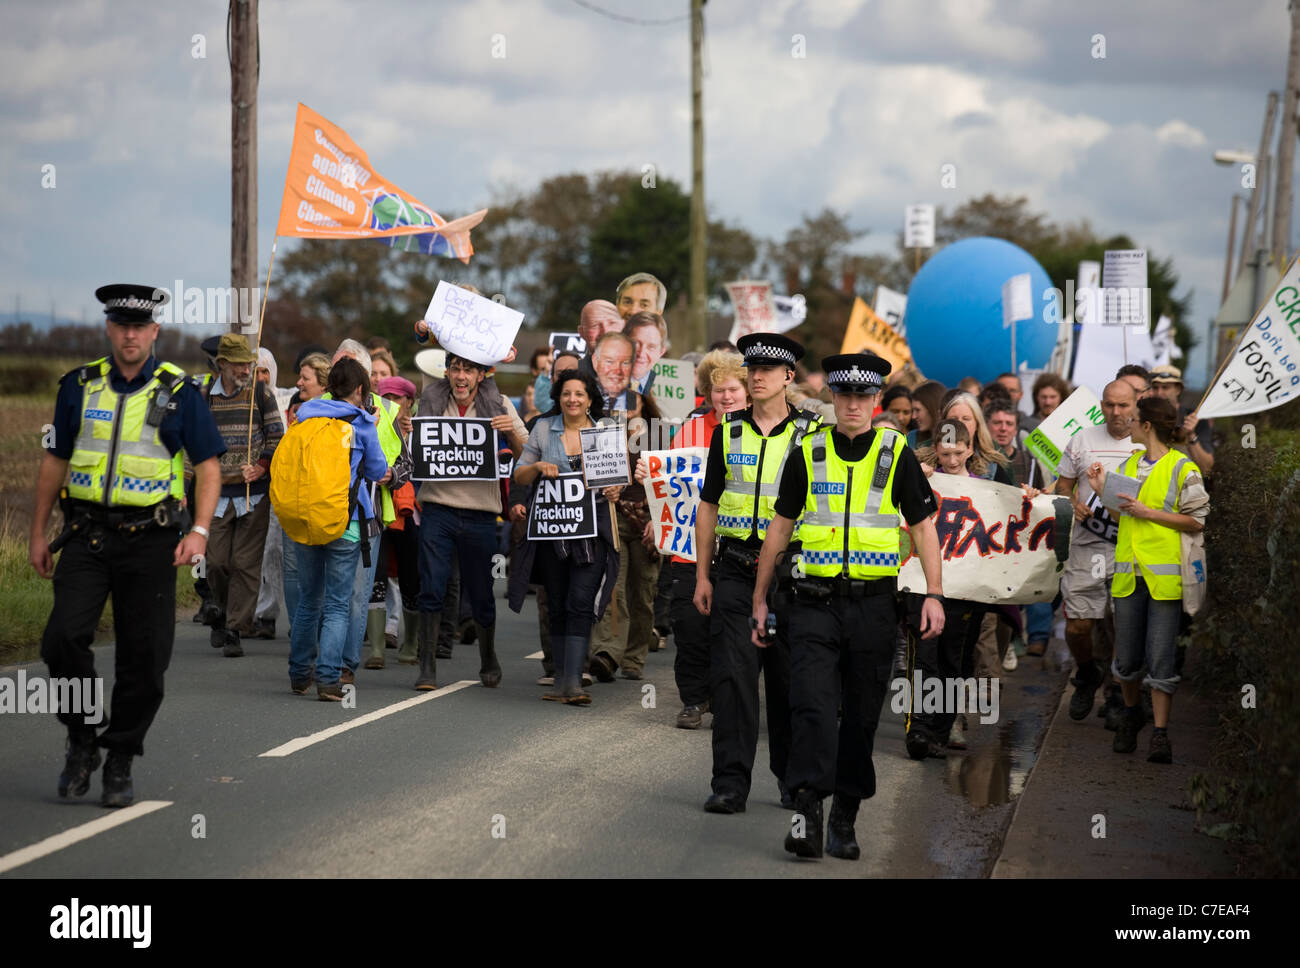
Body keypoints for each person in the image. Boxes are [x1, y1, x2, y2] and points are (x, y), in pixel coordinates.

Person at [31, 283, 223, 807]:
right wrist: (36, 533)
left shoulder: (180, 392)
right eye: (121, 325)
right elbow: (54, 462)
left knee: (145, 659)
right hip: (86, 537)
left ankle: (120, 757)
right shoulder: (79, 386)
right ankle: (83, 736)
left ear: (154, 331)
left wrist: (200, 532)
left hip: (151, 543)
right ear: (110, 329)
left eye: (140, 326)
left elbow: (208, 467)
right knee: (61, 641)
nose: (130, 334)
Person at [750, 352, 946, 859]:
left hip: (875, 607)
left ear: (876, 400)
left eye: (863, 396)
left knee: (860, 716)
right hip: (812, 603)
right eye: (845, 395)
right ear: (833, 397)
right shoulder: (808, 450)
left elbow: (923, 527)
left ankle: (845, 818)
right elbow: (779, 528)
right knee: (811, 707)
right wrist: (758, 600)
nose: (854, 404)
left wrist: (934, 595)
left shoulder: (895, 451)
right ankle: (806, 812)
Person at [693, 333, 823, 815]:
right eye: (752, 367)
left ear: (789, 377)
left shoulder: (811, 436)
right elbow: (708, 505)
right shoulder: (726, 433)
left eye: (769, 369)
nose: (757, 375)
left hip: (793, 575)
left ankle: (792, 780)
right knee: (733, 679)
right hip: (734, 570)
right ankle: (730, 783)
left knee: (790, 682)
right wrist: (703, 575)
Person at [1084, 395, 1208, 763]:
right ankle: (1132, 713)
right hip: (1128, 577)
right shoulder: (1130, 463)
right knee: (1124, 661)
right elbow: (1123, 516)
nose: (1129, 423)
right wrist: (1099, 489)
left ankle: (1159, 733)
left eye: (1135, 418)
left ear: (1148, 426)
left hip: (1165, 580)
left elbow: (1197, 519)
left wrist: (1148, 512)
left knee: (1161, 659)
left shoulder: (1183, 469)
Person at [634, 349, 747, 728]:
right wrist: (649, 481)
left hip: (737, 550)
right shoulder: (692, 428)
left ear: (747, 392)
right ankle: (693, 700)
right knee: (690, 627)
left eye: (733, 389)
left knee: (728, 632)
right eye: (719, 391)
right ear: (707, 393)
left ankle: (722, 697)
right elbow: (671, 483)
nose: (726, 397)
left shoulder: (758, 433)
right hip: (687, 550)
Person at [412, 350, 527, 690]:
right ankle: (427, 666)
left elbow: (527, 459)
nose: (460, 376)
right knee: (431, 585)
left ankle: (488, 657)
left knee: (481, 592)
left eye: (468, 370)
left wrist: (510, 434)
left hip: (480, 515)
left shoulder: (502, 404)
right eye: (455, 368)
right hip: (437, 509)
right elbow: (414, 451)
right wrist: (408, 430)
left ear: (482, 375)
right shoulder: (431, 401)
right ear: (447, 371)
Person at [509, 368, 622, 703]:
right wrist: (537, 468)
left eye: (580, 394)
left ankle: (574, 681)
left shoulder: (606, 430)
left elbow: (616, 480)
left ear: (590, 400)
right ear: (558, 397)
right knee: (557, 603)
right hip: (553, 533)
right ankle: (560, 680)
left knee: (580, 601)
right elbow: (519, 476)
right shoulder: (544, 428)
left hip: (593, 532)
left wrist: (615, 488)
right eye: (567, 393)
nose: (573, 399)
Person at [282, 359, 391, 700]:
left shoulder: (305, 416)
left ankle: (300, 674)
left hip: (304, 518)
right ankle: (329, 679)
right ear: (360, 390)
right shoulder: (362, 425)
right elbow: (376, 470)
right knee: (338, 604)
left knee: (309, 599)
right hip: (346, 522)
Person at [1055, 379, 1140, 722]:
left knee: (1124, 623)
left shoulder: (1145, 444)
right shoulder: (1082, 439)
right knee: (1078, 625)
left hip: (1129, 547)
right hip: (1088, 545)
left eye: (1123, 406)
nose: (1116, 413)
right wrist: (1073, 503)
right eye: (1109, 405)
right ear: (1101, 405)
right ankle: (1087, 672)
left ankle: (1119, 693)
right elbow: (1063, 485)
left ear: (1136, 405)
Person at [586, 331, 664, 682]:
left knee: (642, 594)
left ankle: (634, 658)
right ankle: (607, 653)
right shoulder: (603, 432)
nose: (626, 410)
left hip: (649, 522)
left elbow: (673, 487)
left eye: (632, 403)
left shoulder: (661, 436)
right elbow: (592, 478)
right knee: (613, 589)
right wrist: (607, 490)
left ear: (643, 405)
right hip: (614, 518)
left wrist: (659, 520)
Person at [329, 340, 408, 684]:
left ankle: (346, 666)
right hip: (325, 514)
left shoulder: (387, 412)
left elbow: (407, 464)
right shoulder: (320, 408)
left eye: (349, 366)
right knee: (329, 595)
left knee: (358, 595)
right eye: (337, 366)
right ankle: (325, 661)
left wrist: (391, 474)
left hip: (367, 518)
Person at [201, 334, 284, 658]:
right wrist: (187, 488)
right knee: (217, 562)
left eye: (249, 364)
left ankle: (235, 629)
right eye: (239, 364)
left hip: (254, 493)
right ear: (222, 364)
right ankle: (221, 613)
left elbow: (277, 435)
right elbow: (192, 443)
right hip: (217, 494)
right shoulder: (205, 395)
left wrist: (262, 465)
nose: (246, 369)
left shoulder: (261, 394)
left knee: (246, 565)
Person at [364, 375, 423, 669]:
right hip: (379, 508)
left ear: (409, 401)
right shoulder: (377, 422)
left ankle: (410, 642)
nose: (392, 403)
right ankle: (376, 648)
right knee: (376, 572)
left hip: (412, 513)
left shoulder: (422, 429)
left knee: (411, 576)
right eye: (386, 396)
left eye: (398, 397)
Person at [282, 352, 330, 627]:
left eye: (305, 378)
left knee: (312, 572)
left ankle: (312, 630)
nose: (299, 383)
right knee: (292, 570)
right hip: (294, 500)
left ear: (323, 384)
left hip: (320, 503)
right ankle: (299, 629)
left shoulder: (332, 413)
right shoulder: (296, 409)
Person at [1148, 365, 1214, 475]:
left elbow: (1207, 468)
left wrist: (1191, 435)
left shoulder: (1196, 419)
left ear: (1178, 389)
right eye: (1155, 387)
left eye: (1165, 387)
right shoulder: (1141, 418)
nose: (1159, 393)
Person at [941, 392, 1012, 484]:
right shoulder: (927, 462)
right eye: (954, 419)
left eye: (966, 419)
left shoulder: (992, 466)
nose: (960, 424)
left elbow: (1010, 496)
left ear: (977, 424)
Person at [626, 311, 669, 396]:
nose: (641, 354)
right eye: (636, 343)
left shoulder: (666, 396)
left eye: (651, 347)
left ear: (661, 353)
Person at [910, 380, 945, 449]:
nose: (913, 416)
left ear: (932, 408)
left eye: (917, 410)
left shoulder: (954, 440)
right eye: (912, 410)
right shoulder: (912, 438)